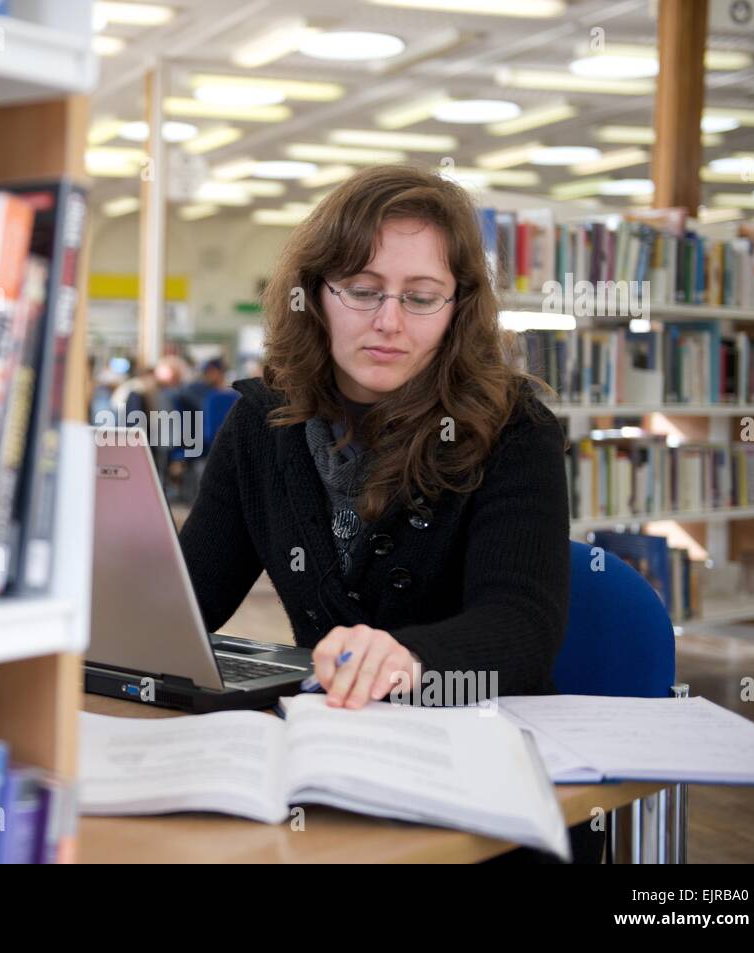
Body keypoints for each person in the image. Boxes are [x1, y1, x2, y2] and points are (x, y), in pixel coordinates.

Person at [178, 165, 588, 860]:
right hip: (330, 768)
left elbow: (523, 625)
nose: (389, 322)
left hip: (478, 783)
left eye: (421, 297)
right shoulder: (262, 421)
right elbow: (192, 601)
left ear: (458, 306)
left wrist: (410, 656)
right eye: (363, 291)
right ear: (316, 295)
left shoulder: (515, 429)